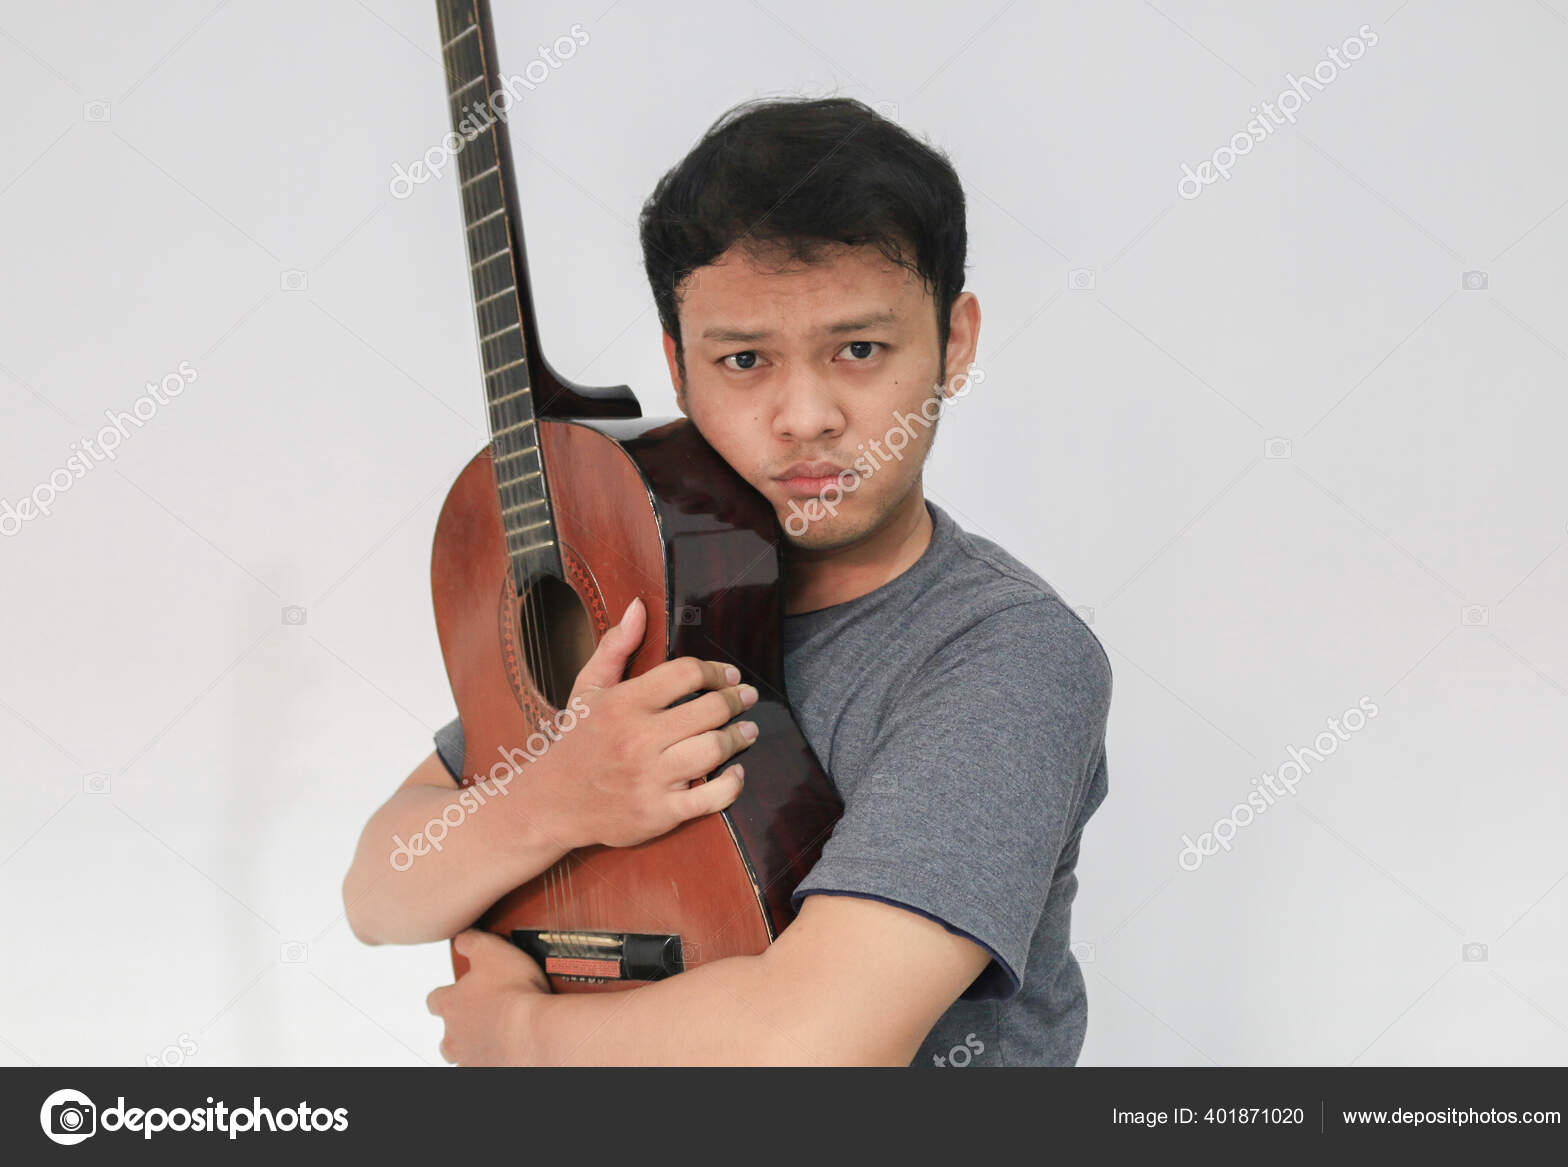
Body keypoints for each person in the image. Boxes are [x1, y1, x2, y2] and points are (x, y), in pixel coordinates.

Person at [342, 96, 1112, 1066]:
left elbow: (820, 1041)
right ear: (676, 365)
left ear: (954, 343)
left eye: (859, 350)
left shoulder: (1001, 655)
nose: (804, 415)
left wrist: (525, 1034)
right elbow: (377, 894)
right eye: (744, 359)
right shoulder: (639, 583)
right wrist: (552, 799)